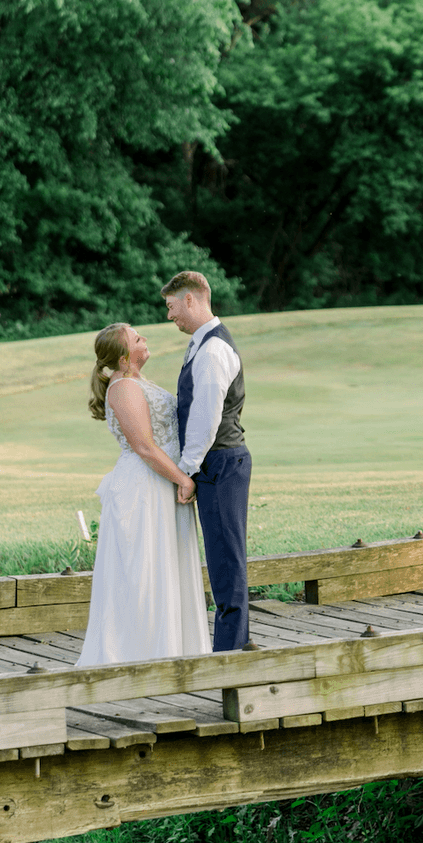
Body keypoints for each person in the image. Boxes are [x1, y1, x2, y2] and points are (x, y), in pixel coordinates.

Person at [76, 322, 211, 667]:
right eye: (137, 338)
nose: (144, 339)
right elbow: (144, 446)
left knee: (165, 564)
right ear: (124, 358)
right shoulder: (122, 388)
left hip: (159, 483)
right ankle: (141, 655)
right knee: (144, 571)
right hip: (144, 488)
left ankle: (174, 651)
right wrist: (183, 478)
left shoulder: (136, 382)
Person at [161, 271, 252, 652]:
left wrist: (186, 469)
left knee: (226, 560)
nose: (170, 317)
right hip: (217, 464)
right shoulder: (202, 344)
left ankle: (231, 653)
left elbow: (206, 416)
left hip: (221, 464)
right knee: (221, 558)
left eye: (171, 307)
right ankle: (234, 647)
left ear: (190, 300)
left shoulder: (213, 349)